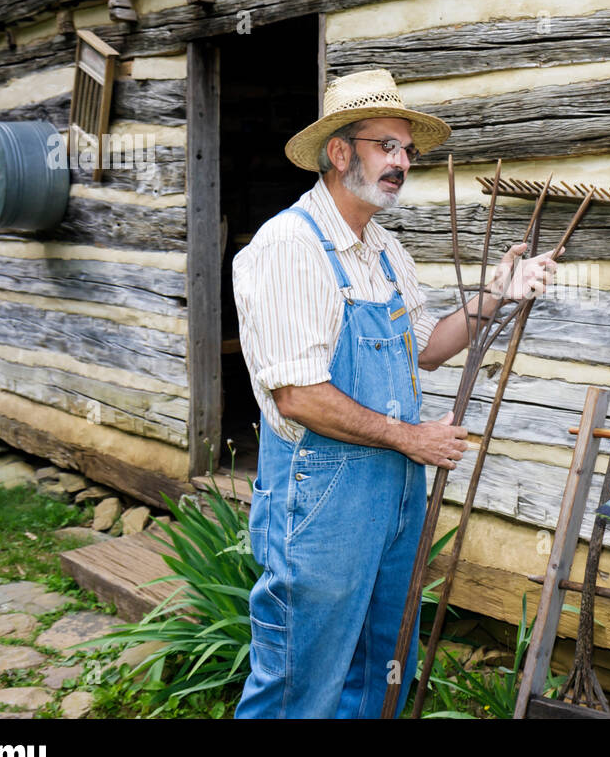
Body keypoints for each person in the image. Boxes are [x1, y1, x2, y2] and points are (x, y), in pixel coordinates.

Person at [231, 69, 558, 718]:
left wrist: (499, 292)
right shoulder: (290, 247)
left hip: (393, 496)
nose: (401, 162)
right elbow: (298, 396)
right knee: (300, 681)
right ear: (340, 151)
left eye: (406, 150)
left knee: (379, 671)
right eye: (386, 146)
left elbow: (429, 348)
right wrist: (411, 437)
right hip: (320, 498)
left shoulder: (384, 251)